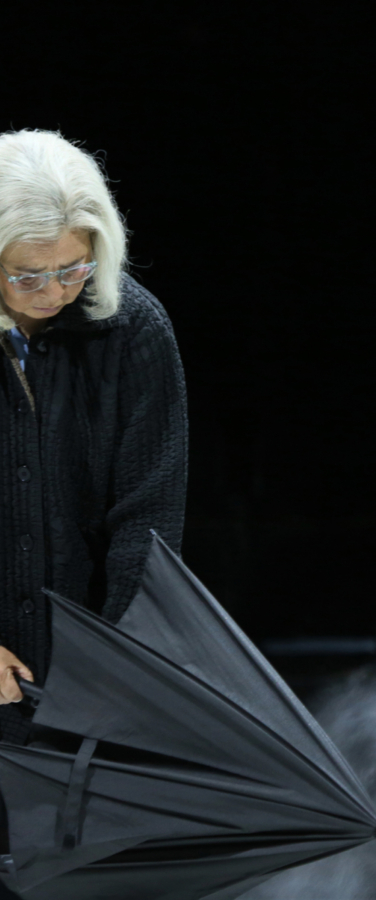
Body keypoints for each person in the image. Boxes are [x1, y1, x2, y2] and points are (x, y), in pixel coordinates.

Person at [0, 130, 188, 747]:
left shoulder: (134, 329)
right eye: (28, 276)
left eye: (73, 268)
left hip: (86, 686)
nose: (55, 293)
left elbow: (149, 518)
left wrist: (115, 662)